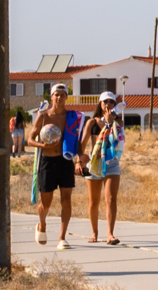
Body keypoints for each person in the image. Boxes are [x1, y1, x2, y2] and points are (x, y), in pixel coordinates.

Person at [29, 84, 82, 249]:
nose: (59, 98)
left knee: (66, 200)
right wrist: (43, 146)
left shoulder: (72, 117)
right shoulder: (43, 117)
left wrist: (80, 158)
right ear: (51, 97)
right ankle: (42, 223)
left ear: (66, 97)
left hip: (65, 161)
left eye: (62, 95)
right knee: (46, 204)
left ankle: (62, 238)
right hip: (47, 162)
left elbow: (78, 139)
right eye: (56, 95)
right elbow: (29, 139)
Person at [80, 91, 125, 245]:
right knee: (94, 201)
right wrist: (80, 160)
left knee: (111, 199)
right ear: (100, 104)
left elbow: (118, 139)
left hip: (112, 163)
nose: (108, 104)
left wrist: (111, 121)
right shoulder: (92, 122)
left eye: (111, 102)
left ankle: (110, 234)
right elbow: (83, 143)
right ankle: (94, 232)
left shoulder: (118, 123)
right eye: (105, 101)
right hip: (95, 163)